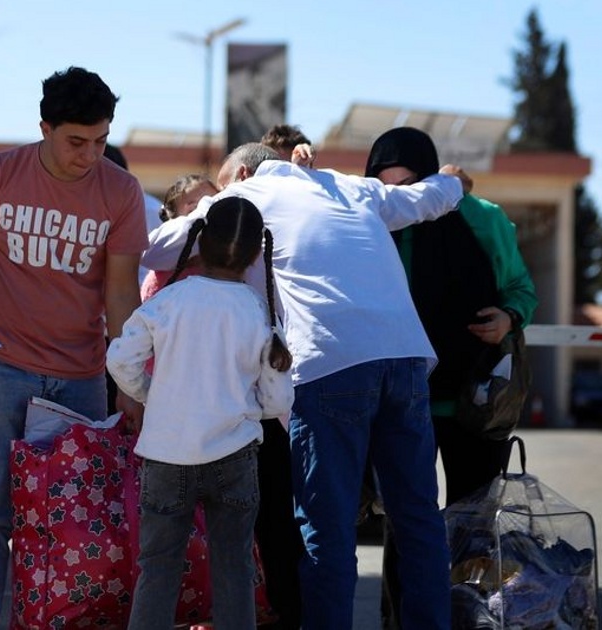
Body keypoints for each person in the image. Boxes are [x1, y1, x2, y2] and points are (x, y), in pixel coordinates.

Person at [144, 142, 470, 630]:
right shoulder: (350, 187)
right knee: (418, 518)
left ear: (241, 174)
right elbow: (429, 198)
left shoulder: (247, 194)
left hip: (328, 364)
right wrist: (453, 180)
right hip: (404, 357)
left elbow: (158, 248)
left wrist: (213, 207)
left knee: (327, 530)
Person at [0, 66, 148, 630]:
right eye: (76, 141)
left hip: (81, 375)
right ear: (44, 128)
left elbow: (121, 294)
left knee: (76, 517)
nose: (90, 155)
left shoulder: (122, 191)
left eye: (101, 141)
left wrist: (131, 384)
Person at [364, 126, 537, 630]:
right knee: (404, 523)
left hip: (471, 400)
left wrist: (508, 317)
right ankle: (400, 621)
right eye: (385, 186)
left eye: (409, 184)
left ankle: (469, 620)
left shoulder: (482, 218)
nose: (399, 198)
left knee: (474, 528)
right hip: (398, 398)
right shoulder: (365, 220)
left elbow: (521, 289)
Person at [107, 196, 295, 630]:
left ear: (199, 243)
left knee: (158, 568)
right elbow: (278, 401)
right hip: (234, 456)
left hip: (166, 455)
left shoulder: (169, 300)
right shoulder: (257, 310)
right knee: (234, 569)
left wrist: (150, 395)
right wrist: (250, 409)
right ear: (255, 254)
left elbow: (120, 359)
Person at [140, 174, 219, 301]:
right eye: (194, 210)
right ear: (174, 221)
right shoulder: (160, 280)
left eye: (216, 204)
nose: (207, 215)